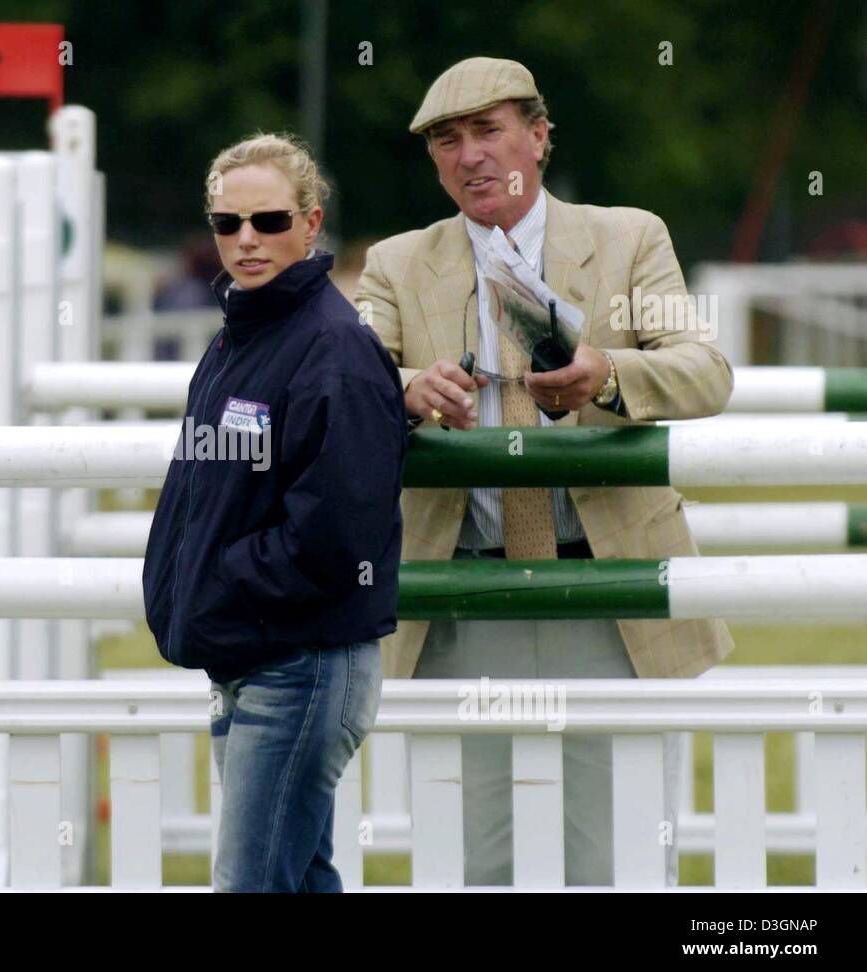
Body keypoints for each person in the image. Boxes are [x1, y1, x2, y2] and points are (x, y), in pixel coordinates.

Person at [355, 56, 735, 886]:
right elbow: (336, 390)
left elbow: (707, 371)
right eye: (447, 141)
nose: (470, 156)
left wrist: (606, 375)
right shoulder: (393, 262)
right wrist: (404, 390)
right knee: (472, 868)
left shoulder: (631, 236)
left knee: (621, 863)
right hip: (458, 600)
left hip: (611, 593)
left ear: (538, 135)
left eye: (489, 130)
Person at [142, 133, 408, 892]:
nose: (247, 240)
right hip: (259, 656)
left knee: (250, 883)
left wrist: (216, 582)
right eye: (228, 224)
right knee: (299, 878)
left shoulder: (333, 348)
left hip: (300, 665)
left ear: (311, 223)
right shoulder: (242, 333)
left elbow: (335, 533)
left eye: (268, 220)